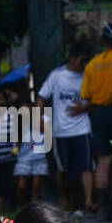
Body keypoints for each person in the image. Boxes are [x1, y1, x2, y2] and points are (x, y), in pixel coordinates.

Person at [37, 40, 95, 213]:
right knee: (65, 169)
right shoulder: (56, 76)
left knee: (86, 166)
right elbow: (41, 97)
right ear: (72, 58)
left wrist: (84, 107)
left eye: (86, 60)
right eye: (81, 60)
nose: (83, 64)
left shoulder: (88, 76)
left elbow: (97, 99)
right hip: (61, 130)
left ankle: (88, 201)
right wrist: (39, 119)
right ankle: (69, 200)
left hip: (82, 127)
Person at [82, 23, 112, 221]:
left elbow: (85, 95)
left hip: (99, 113)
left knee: (103, 160)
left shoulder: (92, 65)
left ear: (103, 41)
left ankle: (103, 209)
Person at [12, 93, 50, 206]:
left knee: (36, 186)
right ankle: (20, 207)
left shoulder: (43, 118)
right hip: (23, 158)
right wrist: (14, 150)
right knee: (21, 186)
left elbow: (49, 132)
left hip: (40, 157)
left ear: (31, 106)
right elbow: (17, 143)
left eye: (26, 106)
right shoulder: (17, 123)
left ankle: (33, 211)